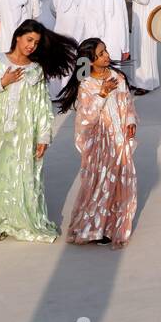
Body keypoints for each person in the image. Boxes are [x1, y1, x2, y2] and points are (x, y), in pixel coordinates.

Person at [0, 19, 77, 241]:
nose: (31, 46)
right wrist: (2, 82)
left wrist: (43, 137)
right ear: (18, 36)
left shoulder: (35, 71)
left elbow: (42, 106)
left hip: (24, 133)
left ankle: (21, 218)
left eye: (36, 43)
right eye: (29, 40)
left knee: (21, 174)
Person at [57, 37, 139, 248]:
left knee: (120, 181)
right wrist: (102, 94)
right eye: (101, 54)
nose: (106, 56)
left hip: (119, 138)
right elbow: (86, 117)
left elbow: (127, 102)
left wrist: (129, 120)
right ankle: (94, 227)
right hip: (100, 144)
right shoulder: (87, 84)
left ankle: (113, 225)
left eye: (105, 51)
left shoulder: (117, 77)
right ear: (90, 61)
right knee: (101, 183)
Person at [127, 0, 161, 93]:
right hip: (137, 21)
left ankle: (147, 84)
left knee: (145, 51)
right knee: (136, 49)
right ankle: (135, 81)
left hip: (146, 21)